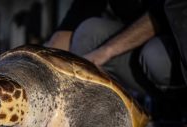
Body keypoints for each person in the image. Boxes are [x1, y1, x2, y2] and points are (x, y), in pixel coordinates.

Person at [45, 0, 185, 96]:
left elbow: (161, 14)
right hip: (137, 60)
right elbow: (67, 29)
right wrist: (42, 69)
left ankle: (174, 111)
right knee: (88, 31)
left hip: (175, 51)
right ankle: (90, 122)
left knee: (154, 55)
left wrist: (105, 51)